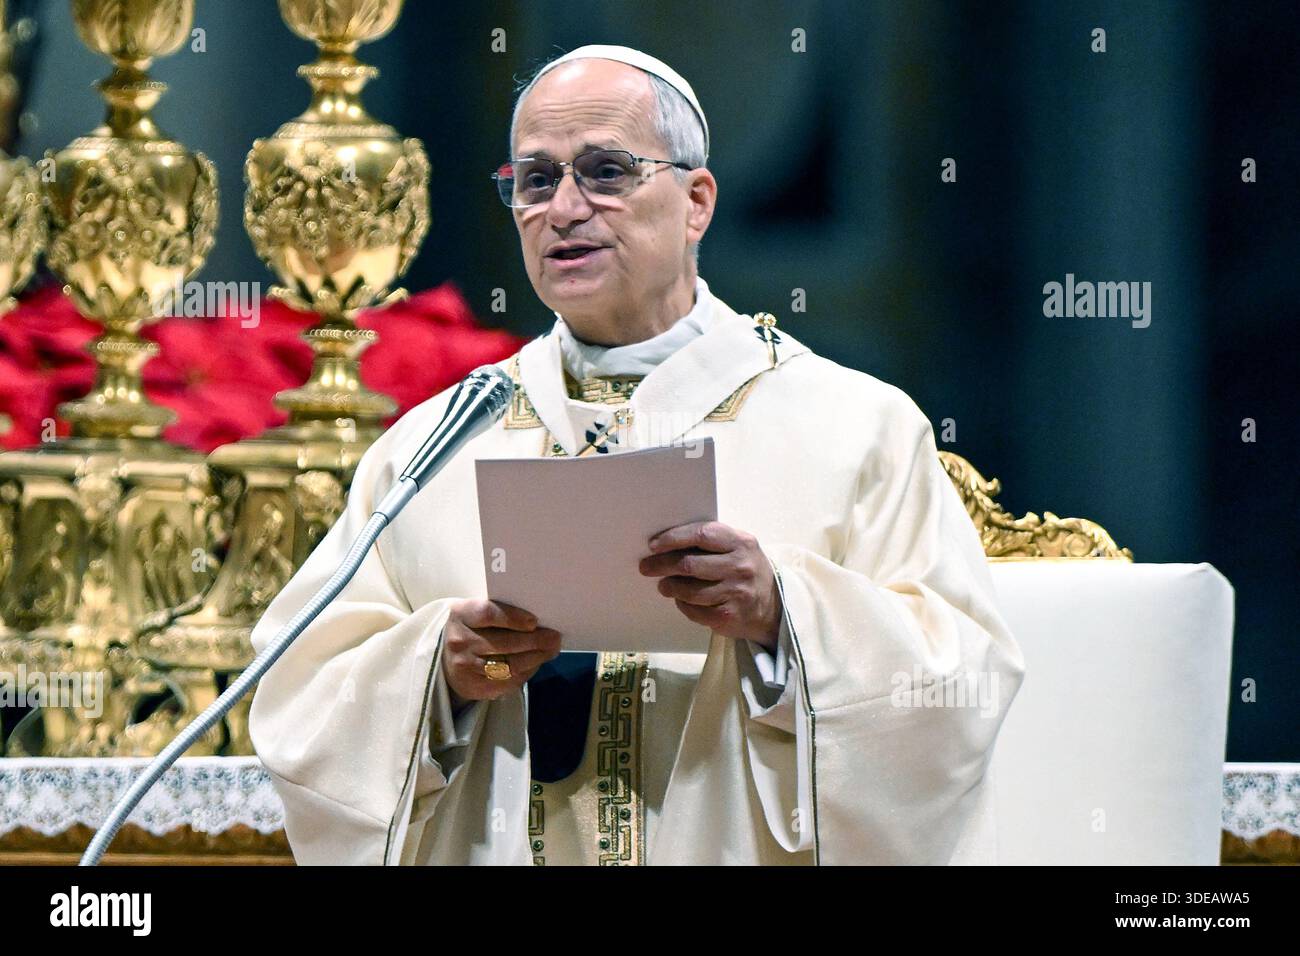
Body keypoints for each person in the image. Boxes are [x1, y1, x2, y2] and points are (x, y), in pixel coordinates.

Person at [247, 44, 1025, 865]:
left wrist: (781, 615)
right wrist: (436, 673)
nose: (564, 209)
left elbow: (959, 687)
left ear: (696, 202)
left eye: (606, 172)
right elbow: (300, 701)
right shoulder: (435, 446)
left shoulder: (855, 429)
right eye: (535, 180)